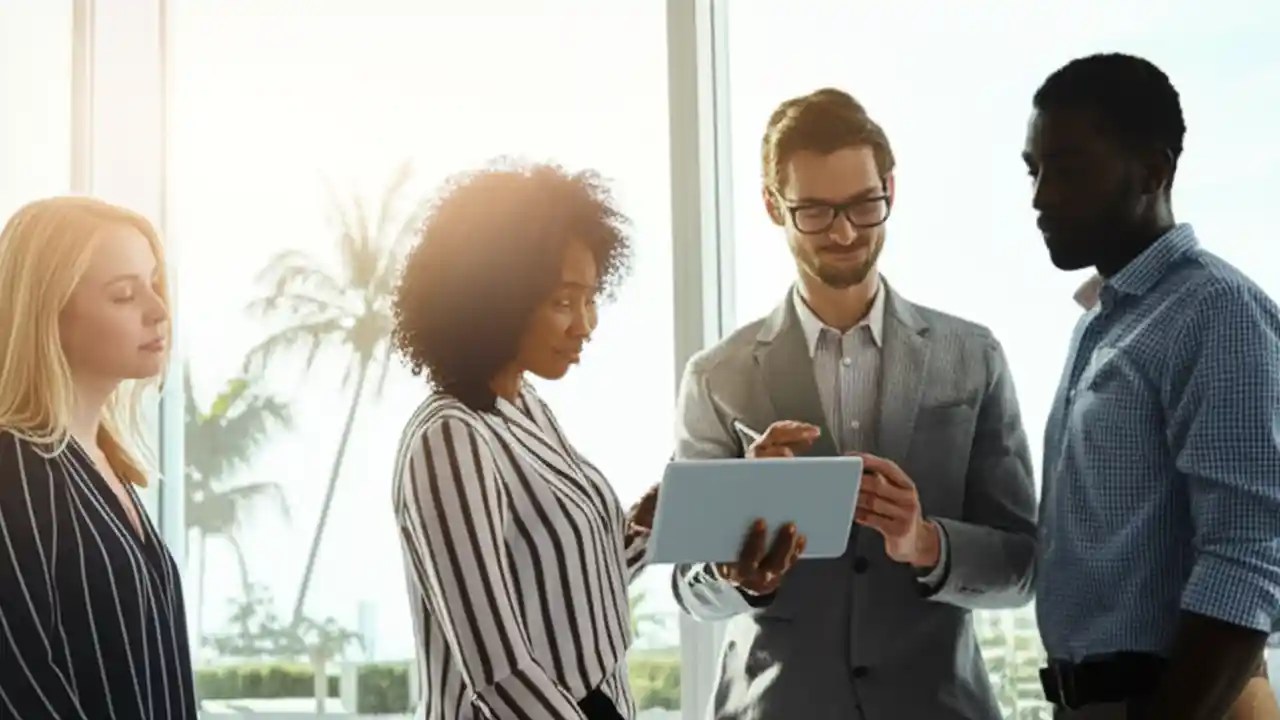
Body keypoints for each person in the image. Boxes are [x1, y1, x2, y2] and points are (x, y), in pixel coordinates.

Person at [671, 87, 1038, 719]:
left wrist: (926, 542)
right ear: (771, 205)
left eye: (863, 205)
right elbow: (689, 587)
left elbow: (1023, 565)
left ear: (890, 190)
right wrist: (740, 560)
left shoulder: (973, 356)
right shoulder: (716, 377)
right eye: (813, 211)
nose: (843, 232)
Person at [1027, 53, 1280, 720]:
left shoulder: (1217, 311)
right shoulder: (1098, 326)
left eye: (1068, 169)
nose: (1041, 196)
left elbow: (1249, 552)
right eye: (1035, 169)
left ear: (1154, 170)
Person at [390, 160, 660, 720]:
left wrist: (652, 525)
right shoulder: (450, 439)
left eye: (589, 299)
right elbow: (499, 672)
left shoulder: (529, 409)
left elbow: (564, 582)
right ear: (496, 300)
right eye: (564, 301)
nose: (584, 324)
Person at [0, 196, 197, 719]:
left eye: (155, 285)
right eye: (125, 295)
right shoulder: (14, 467)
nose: (159, 310)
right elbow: (19, 687)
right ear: (49, 313)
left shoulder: (105, 465)